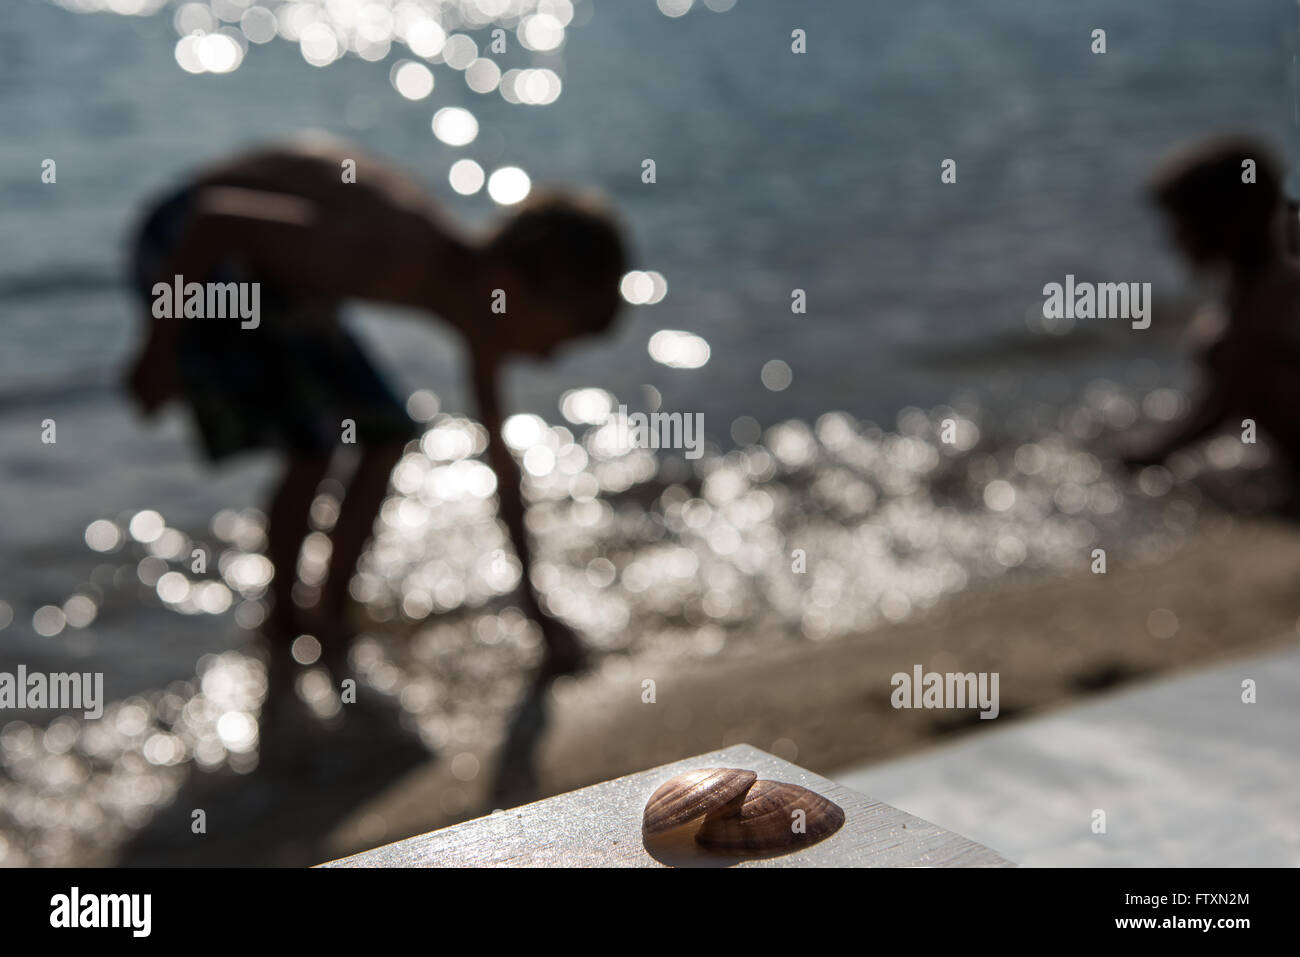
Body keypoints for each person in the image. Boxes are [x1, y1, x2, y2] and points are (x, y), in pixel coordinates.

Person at [125, 132, 627, 689]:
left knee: (385, 434)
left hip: (280, 272)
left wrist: (537, 612)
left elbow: (501, 469)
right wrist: (156, 351)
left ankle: (329, 618)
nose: (552, 358)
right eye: (560, 335)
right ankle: (286, 624)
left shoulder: (483, 313)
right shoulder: (392, 253)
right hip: (189, 245)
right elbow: (216, 219)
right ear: (511, 286)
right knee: (312, 446)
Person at [1122, 136, 1300, 480]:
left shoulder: (1268, 300)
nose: (1173, 239)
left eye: (1181, 223)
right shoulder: (1265, 284)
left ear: (1221, 224)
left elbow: (1226, 399)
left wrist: (1153, 454)